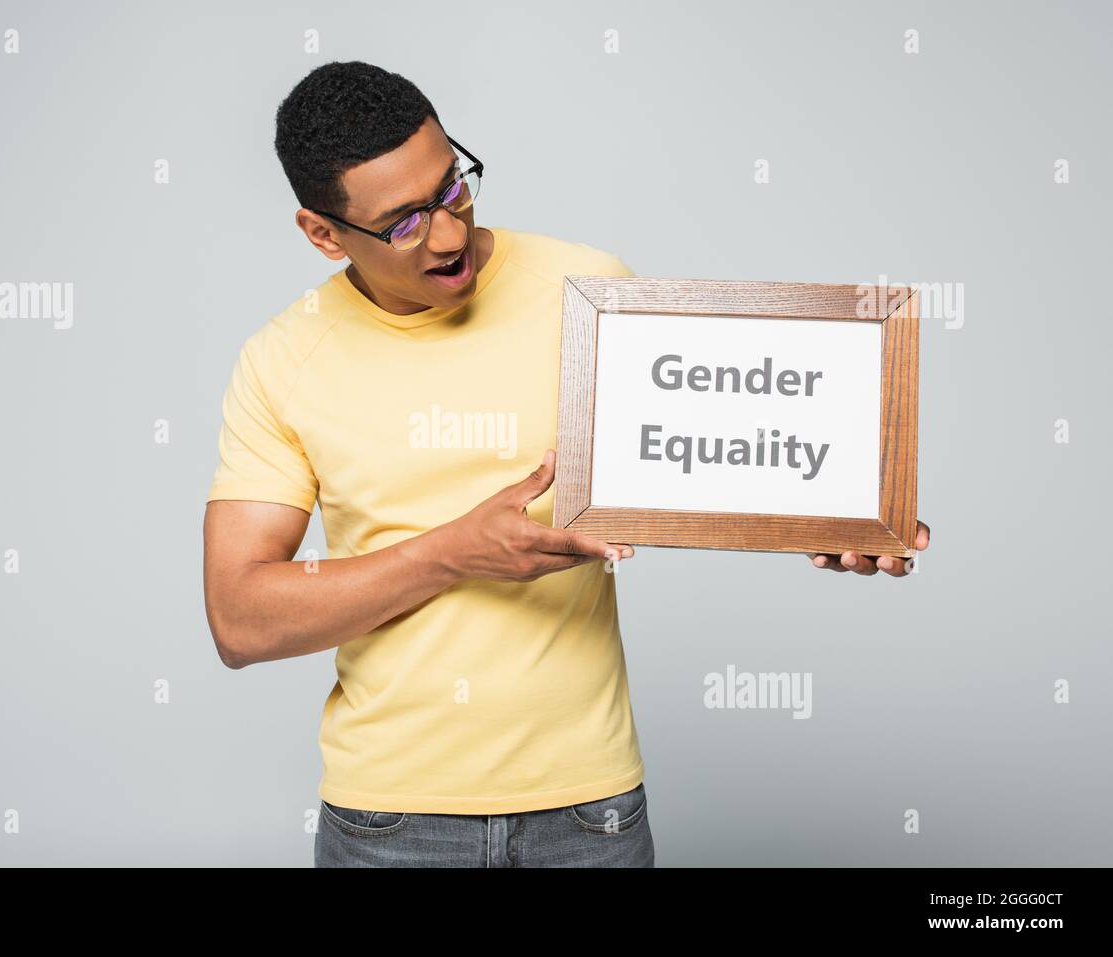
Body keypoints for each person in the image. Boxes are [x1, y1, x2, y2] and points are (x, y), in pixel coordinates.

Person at [201, 61, 931, 868]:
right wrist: (449, 553)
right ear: (323, 234)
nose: (447, 234)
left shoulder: (589, 291)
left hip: (590, 812)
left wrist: (828, 512)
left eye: (452, 189)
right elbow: (240, 618)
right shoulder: (281, 360)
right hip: (389, 821)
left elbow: (714, 449)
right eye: (404, 222)